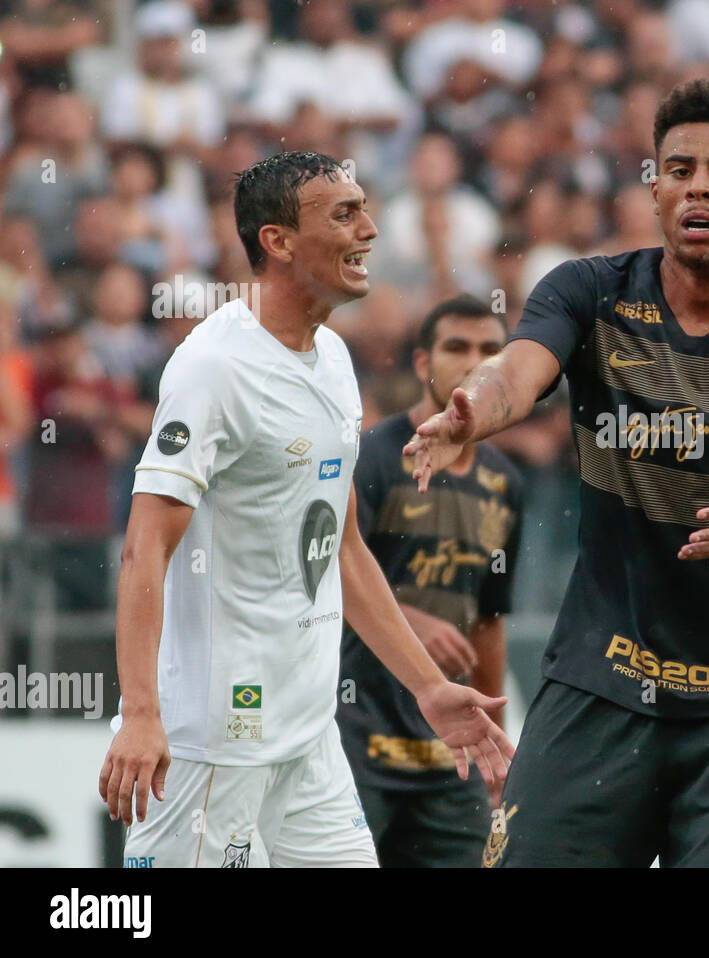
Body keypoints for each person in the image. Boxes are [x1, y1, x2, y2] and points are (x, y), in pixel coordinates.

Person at [406, 77, 709, 867]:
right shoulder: (589, 292)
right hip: (600, 678)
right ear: (654, 188)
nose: (699, 186)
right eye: (679, 168)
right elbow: (516, 373)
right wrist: (471, 411)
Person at [98, 152, 512, 868]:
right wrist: (141, 713)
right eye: (344, 214)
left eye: (366, 208)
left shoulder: (334, 360)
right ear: (278, 241)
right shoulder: (214, 368)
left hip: (308, 735)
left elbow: (342, 548)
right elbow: (144, 549)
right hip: (215, 739)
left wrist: (430, 689)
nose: (371, 230)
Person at [337, 293, 523, 867]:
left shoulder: (505, 483)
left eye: (490, 350)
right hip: (358, 738)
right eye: (457, 347)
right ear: (423, 363)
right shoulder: (368, 459)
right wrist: (414, 622)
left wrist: (496, 744)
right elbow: (327, 570)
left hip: (451, 758)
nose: (474, 361)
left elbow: (490, 622)